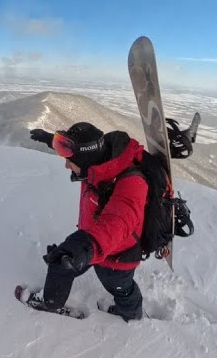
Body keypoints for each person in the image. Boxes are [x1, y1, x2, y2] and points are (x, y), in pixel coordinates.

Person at [28, 121, 147, 321]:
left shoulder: (131, 184)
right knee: (62, 265)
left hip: (116, 256)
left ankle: (132, 315)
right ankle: (51, 303)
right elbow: (80, 149)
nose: (66, 165)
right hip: (91, 240)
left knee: (122, 288)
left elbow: (117, 223)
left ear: (85, 160)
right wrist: (50, 139)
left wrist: (82, 247)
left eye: (70, 160)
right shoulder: (97, 165)